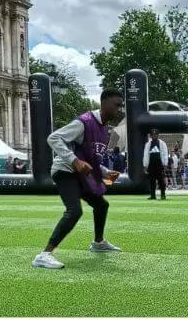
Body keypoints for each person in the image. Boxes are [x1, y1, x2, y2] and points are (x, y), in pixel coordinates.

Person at [33, 89, 124, 270]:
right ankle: (43, 255)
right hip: (64, 170)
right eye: (116, 104)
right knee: (74, 211)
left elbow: (90, 159)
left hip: (79, 174)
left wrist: (105, 172)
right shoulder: (85, 122)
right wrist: (74, 160)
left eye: (120, 105)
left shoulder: (104, 129)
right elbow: (54, 138)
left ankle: (98, 243)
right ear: (104, 103)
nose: (119, 109)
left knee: (101, 205)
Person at [143, 129, 168, 201]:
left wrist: (165, 164)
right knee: (151, 181)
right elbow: (145, 155)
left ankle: (163, 195)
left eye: (156, 134)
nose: (154, 136)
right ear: (150, 136)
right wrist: (145, 165)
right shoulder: (148, 144)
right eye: (153, 135)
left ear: (158, 135)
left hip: (160, 164)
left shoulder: (163, 143)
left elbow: (165, 154)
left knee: (161, 181)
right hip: (151, 164)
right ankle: (152, 195)